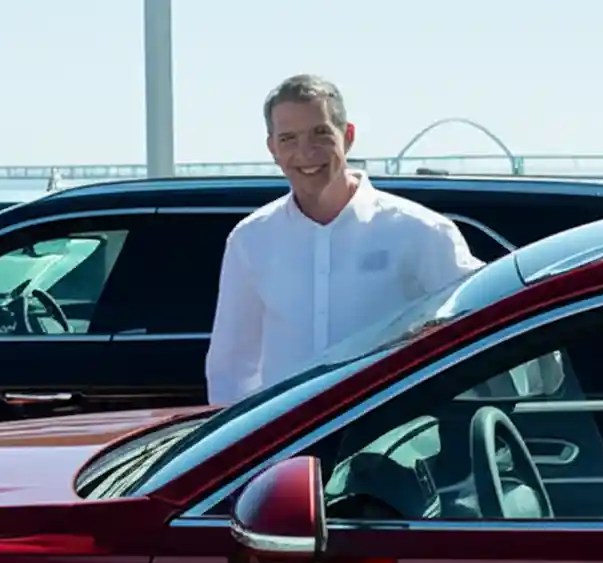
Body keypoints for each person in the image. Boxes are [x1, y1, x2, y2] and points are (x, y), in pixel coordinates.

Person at [204, 74, 483, 405]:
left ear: (347, 136)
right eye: (288, 139)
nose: (305, 152)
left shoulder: (419, 232)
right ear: (272, 149)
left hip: (395, 442)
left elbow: (479, 328)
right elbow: (232, 367)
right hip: (288, 445)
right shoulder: (250, 240)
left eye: (320, 134)